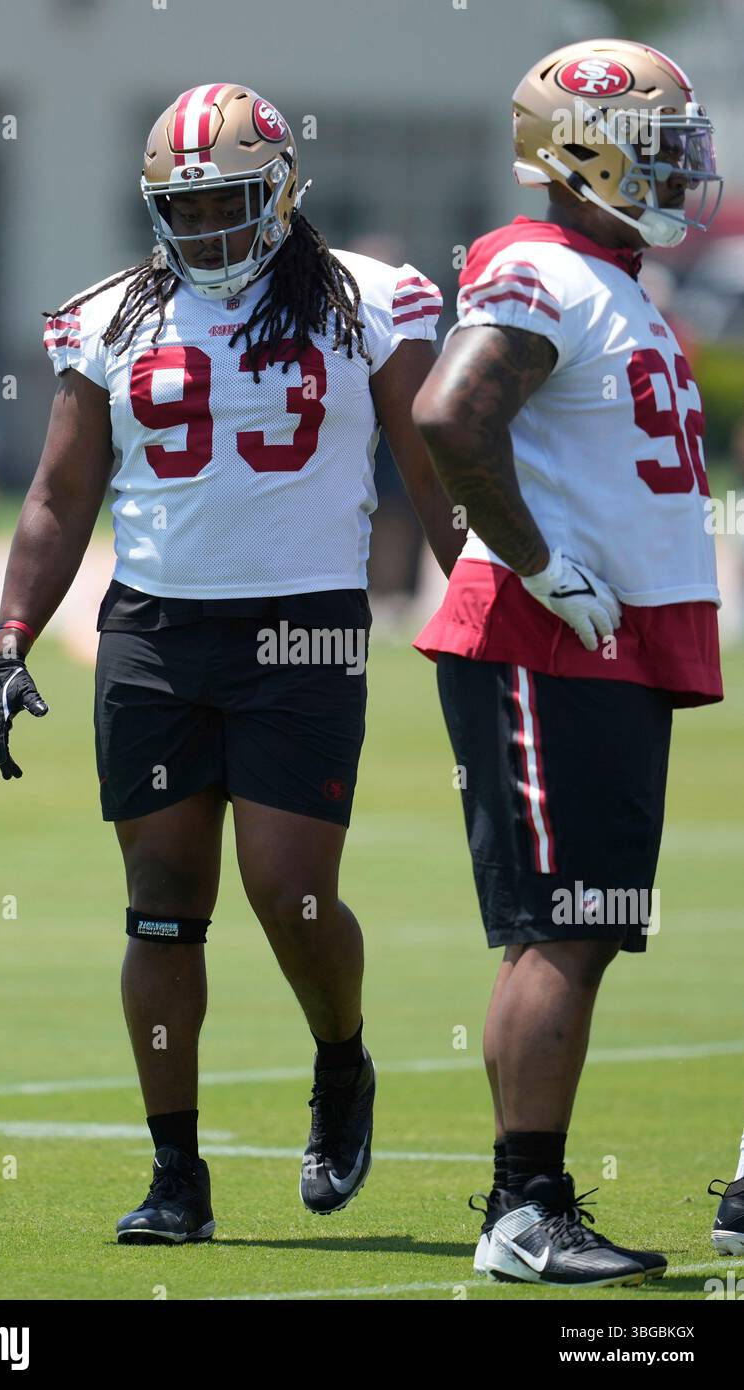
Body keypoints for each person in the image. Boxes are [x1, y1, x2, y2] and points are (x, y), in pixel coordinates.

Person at [0, 84, 458, 1244]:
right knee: (158, 908)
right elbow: (56, 494)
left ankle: (339, 1060)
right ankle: (175, 1176)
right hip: (154, 628)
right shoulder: (109, 315)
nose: (204, 231)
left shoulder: (366, 301)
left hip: (303, 626)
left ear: (282, 190)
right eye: (181, 210)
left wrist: (488, 608)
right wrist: (9, 638)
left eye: (228, 204)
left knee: (288, 889)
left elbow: (431, 466)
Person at [412, 39, 724, 1288]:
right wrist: (535, 560)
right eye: (654, 148)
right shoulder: (542, 265)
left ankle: (528, 1203)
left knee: (582, 928)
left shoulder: (610, 278)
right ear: (578, 155)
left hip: (601, 647)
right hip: (547, 639)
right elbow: (448, 415)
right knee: (560, 928)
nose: (676, 173)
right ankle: (520, 1209)